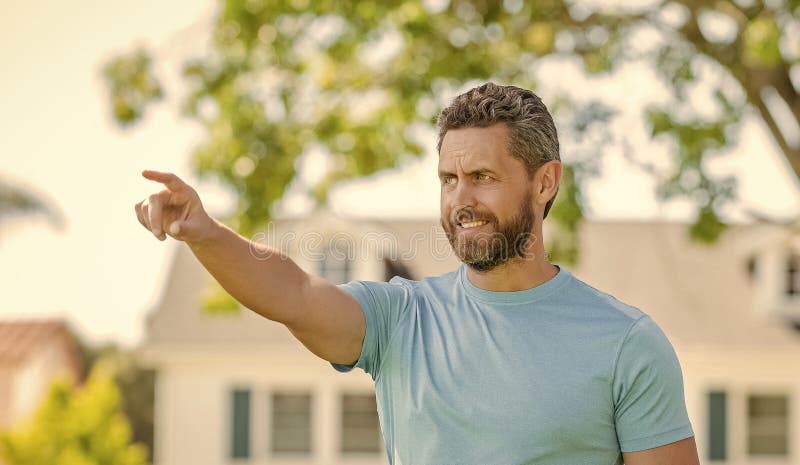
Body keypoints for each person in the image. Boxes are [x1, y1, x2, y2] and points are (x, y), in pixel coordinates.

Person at [135, 83, 700, 465]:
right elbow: (294, 292)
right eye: (448, 179)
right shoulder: (401, 319)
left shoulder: (626, 344)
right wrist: (204, 232)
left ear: (545, 182)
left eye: (482, 175)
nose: (461, 200)